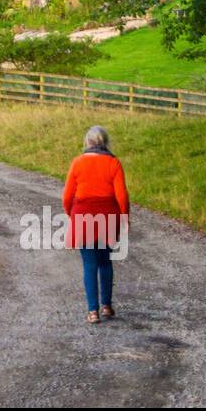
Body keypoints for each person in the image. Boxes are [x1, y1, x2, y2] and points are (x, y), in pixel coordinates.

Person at [62, 125, 129, 324]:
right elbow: (122, 195)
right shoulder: (113, 163)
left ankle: (93, 312)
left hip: (83, 216)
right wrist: (124, 216)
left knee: (89, 264)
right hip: (107, 216)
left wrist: (71, 213)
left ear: (88, 142)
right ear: (105, 142)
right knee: (105, 262)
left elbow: (67, 196)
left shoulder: (77, 163)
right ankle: (107, 306)